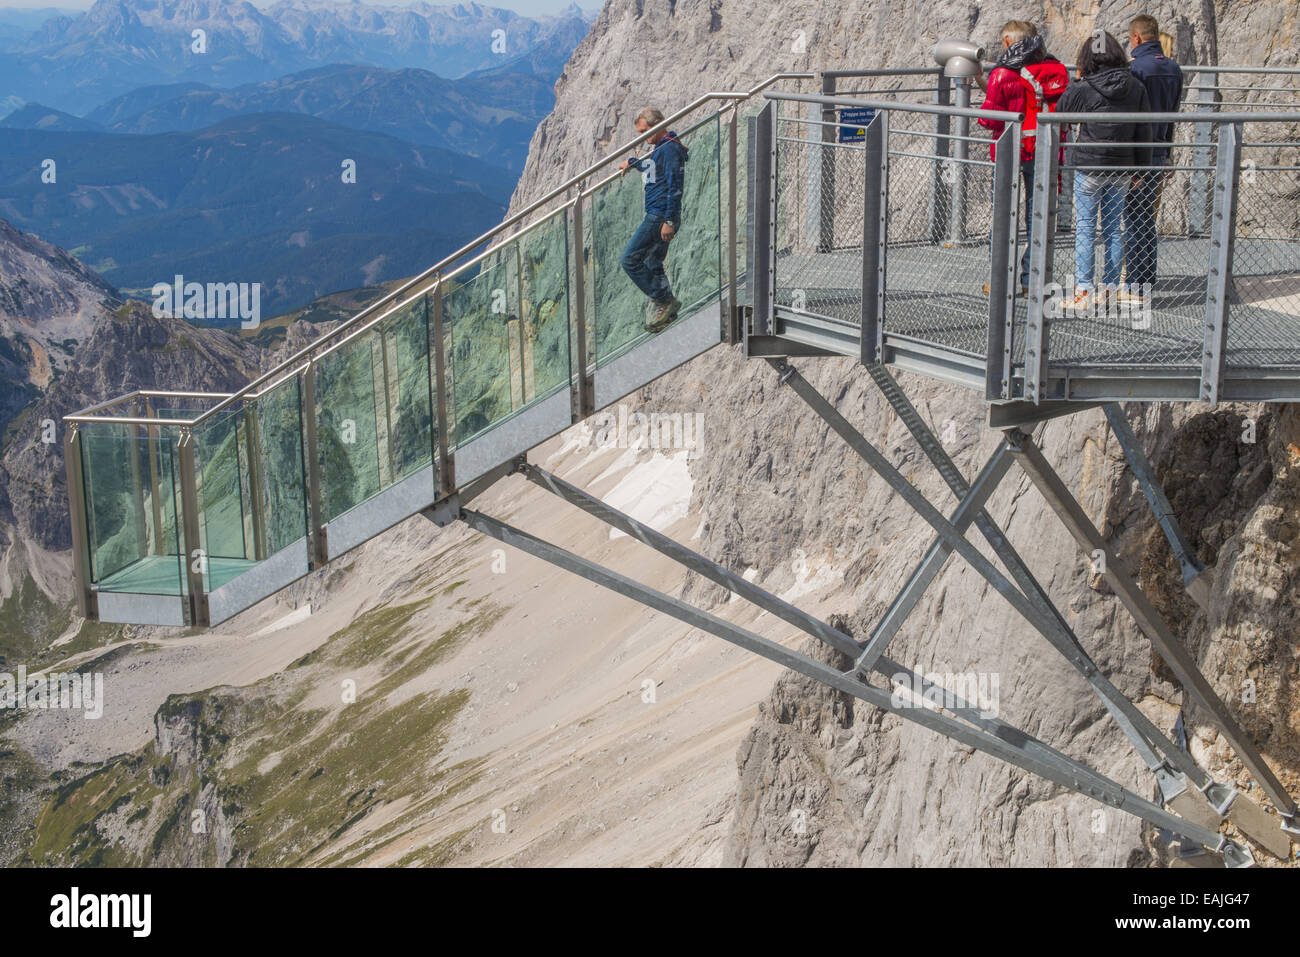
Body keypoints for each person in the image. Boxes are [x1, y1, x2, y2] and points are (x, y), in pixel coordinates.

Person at [1054, 30, 1153, 312]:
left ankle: (1083, 292)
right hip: (1123, 166)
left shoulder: (1085, 86)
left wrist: (1077, 79)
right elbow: (1145, 131)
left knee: (1085, 228)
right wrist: (1140, 171)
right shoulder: (1136, 86)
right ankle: (1109, 291)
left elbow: (1060, 113)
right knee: (1113, 228)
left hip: (1090, 165)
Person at [976, 20, 1070, 295]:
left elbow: (988, 119)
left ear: (1008, 42)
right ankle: (1032, 280)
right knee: (1036, 215)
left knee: (1003, 216)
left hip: (1010, 150)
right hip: (1044, 147)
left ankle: (999, 280)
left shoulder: (1003, 73)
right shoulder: (1054, 69)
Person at [1124, 14, 1184, 302]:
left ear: (1136, 37)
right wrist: (1169, 152)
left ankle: (1134, 283)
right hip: (1160, 151)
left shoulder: (1135, 68)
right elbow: (1173, 114)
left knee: (1133, 216)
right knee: (1146, 216)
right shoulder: (1174, 68)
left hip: (1137, 154)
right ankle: (1147, 278)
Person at [618, 108, 689, 332]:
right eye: (640, 132)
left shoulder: (668, 149)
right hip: (660, 213)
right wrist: (633, 162)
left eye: (646, 130)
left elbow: (675, 185)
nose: (643, 135)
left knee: (629, 259)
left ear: (659, 124)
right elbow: (653, 169)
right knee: (652, 262)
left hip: (659, 215)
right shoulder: (662, 147)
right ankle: (666, 309)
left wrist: (668, 219)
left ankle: (663, 299)